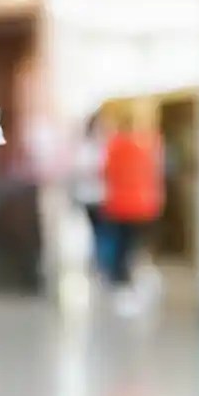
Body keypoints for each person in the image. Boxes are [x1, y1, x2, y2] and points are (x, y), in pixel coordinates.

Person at [102, 114, 164, 312]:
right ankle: (133, 277)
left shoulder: (115, 147)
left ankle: (122, 280)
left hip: (120, 205)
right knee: (135, 244)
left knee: (122, 245)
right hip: (142, 206)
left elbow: (106, 172)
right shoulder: (148, 147)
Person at [72, 112, 111, 275]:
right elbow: (81, 170)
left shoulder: (104, 147)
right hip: (90, 197)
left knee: (101, 231)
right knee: (98, 231)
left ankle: (100, 260)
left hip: (103, 196)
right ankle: (100, 261)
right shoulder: (87, 149)